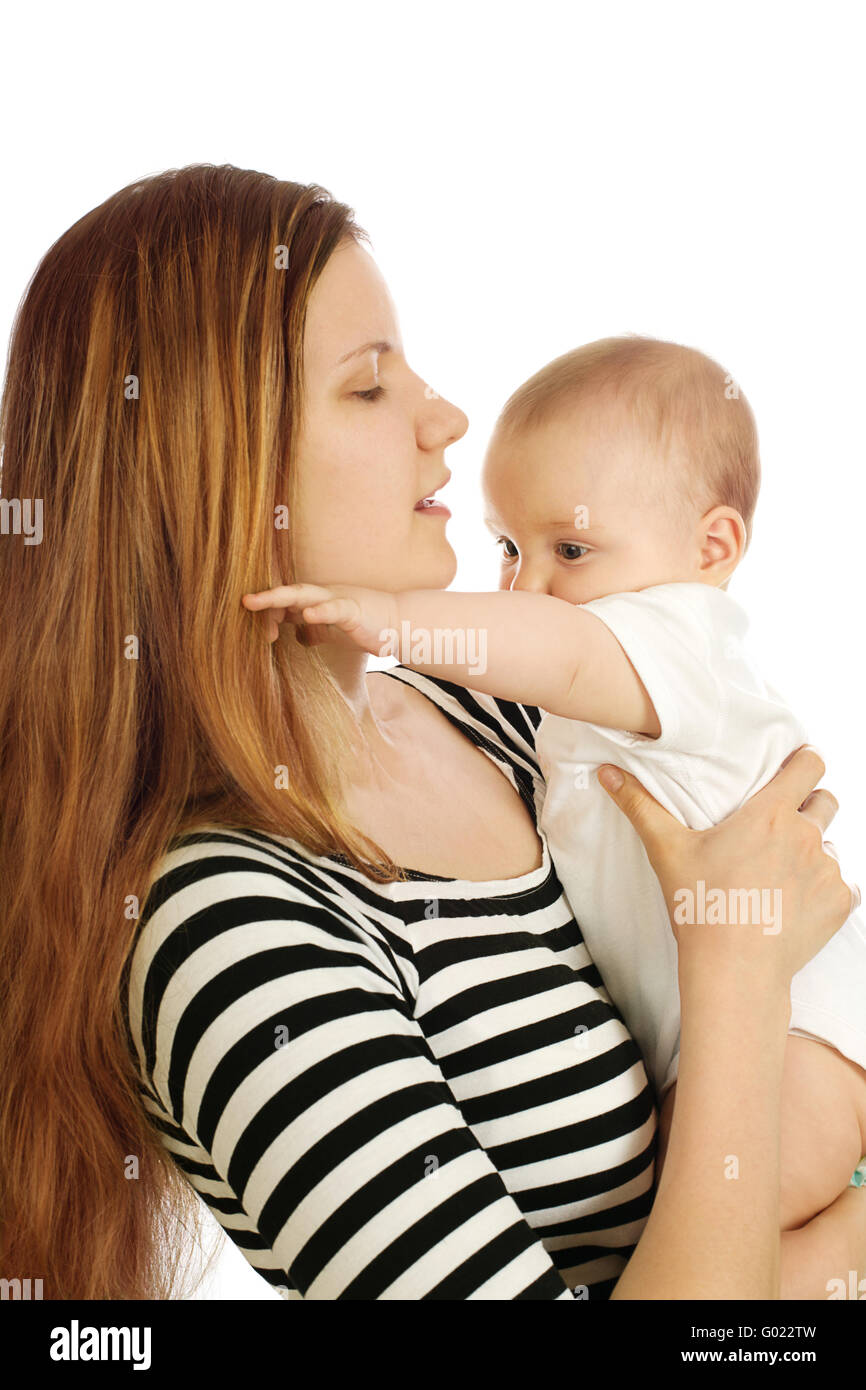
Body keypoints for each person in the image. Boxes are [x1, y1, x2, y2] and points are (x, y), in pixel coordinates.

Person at [0, 165, 854, 1300]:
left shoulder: (512, 723)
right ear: (214, 467)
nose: (446, 419)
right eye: (368, 388)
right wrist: (740, 972)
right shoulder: (232, 931)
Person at [258, 335, 866, 1298]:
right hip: (733, 1021)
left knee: (740, 1205)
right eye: (509, 547)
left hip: (814, 1032)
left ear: (712, 549)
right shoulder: (246, 913)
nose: (524, 582)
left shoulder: (675, 640)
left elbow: (565, 652)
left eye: (569, 550)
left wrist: (390, 615)